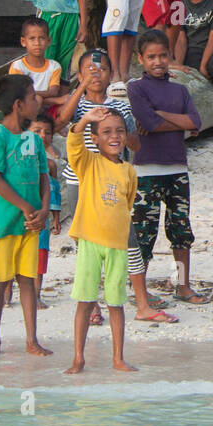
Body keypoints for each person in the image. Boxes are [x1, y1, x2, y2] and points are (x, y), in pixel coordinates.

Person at [52, 48, 172, 324]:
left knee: (128, 238)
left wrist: (117, 133)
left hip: (113, 181)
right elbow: (59, 123)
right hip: (79, 180)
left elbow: (135, 144)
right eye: (89, 71)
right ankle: (92, 304)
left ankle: (141, 303)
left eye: (102, 69)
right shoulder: (77, 104)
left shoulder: (120, 105)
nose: (96, 75)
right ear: (79, 74)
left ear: (111, 74)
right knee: (87, 242)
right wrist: (81, 93)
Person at [126, 30, 205, 303]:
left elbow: (196, 123)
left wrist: (159, 115)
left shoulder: (180, 89)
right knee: (145, 234)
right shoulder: (135, 88)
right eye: (151, 57)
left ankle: (183, 285)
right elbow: (149, 124)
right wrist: (176, 122)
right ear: (140, 59)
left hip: (177, 170)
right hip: (146, 172)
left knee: (181, 231)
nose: (158, 61)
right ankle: (141, 290)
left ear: (170, 56)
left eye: (162, 55)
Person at [64, 105, 138, 373]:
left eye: (119, 131)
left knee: (116, 301)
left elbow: (127, 203)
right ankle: (78, 358)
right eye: (106, 132)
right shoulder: (89, 163)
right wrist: (84, 120)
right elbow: (72, 144)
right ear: (94, 138)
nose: (114, 136)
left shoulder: (129, 170)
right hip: (90, 241)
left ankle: (118, 358)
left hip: (118, 244)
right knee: (85, 300)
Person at [0, 74, 50, 359]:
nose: (38, 101)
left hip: (31, 225)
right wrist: (24, 206)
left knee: (27, 280)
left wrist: (44, 209)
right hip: (4, 224)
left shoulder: (33, 138)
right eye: (33, 97)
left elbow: (44, 177)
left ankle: (31, 340)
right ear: (19, 105)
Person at [27, 114, 64, 307]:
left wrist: (56, 216)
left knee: (40, 255)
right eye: (37, 131)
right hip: (22, 216)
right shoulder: (21, 162)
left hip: (43, 219)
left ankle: (36, 295)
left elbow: (55, 191)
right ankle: (6, 295)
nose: (42, 136)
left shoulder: (50, 165)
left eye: (47, 132)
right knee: (16, 255)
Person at [9, 18, 66, 108]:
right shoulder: (18, 66)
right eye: (32, 38)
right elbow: (18, 94)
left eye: (42, 38)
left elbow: (53, 92)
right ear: (23, 42)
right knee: (37, 99)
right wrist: (55, 100)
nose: (37, 43)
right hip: (25, 109)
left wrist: (32, 94)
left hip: (48, 108)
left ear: (48, 41)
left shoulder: (54, 66)